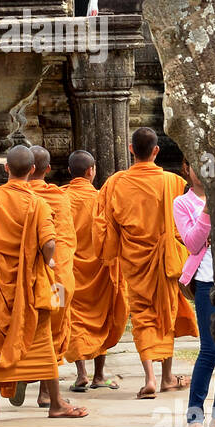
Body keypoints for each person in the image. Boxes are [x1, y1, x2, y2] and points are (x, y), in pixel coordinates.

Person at [0, 144, 87, 425]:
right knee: (42, 340)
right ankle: (55, 402)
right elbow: (49, 242)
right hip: (32, 286)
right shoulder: (38, 204)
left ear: (6, 168)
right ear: (33, 170)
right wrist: (50, 261)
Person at [95, 126, 198, 399]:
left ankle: (152, 378)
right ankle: (165, 377)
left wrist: (110, 253)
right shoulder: (174, 182)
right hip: (167, 261)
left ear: (131, 150)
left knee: (142, 317)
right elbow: (189, 222)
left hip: (134, 260)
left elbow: (104, 223)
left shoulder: (116, 183)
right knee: (167, 314)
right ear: (156, 151)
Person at [174, 161, 215, 427]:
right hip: (205, 281)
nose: (204, 172)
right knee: (210, 350)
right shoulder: (182, 203)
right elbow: (192, 242)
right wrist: (209, 213)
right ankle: (195, 414)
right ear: (186, 169)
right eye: (197, 166)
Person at [64, 150, 128, 392]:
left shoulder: (60, 198)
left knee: (73, 319)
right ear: (91, 171)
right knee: (103, 316)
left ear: (70, 171)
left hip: (70, 270)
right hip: (100, 269)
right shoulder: (102, 199)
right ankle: (99, 375)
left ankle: (81, 374)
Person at [27, 145, 78, 404]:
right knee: (52, 329)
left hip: (23, 281)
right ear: (47, 169)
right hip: (56, 280)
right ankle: (45, 391)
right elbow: (67, 239)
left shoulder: (13, 198)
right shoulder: (59, 197)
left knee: (27, 327)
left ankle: (26, 376)